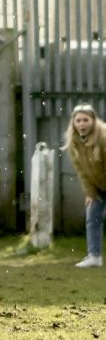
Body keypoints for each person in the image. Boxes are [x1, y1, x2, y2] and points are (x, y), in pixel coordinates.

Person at [64, 104, 105, 268]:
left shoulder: (103, 137)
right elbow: (81, 172)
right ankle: (94, 256)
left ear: (93, 121)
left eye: (85, 120)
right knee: (92, 218)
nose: (82, 124)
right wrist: (90, 193)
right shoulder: (73, 142)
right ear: (73, 122)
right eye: (78, 120)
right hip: (98, 187)